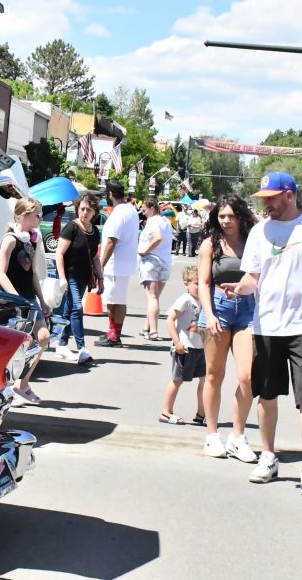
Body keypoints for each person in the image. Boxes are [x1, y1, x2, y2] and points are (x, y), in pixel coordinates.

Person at [222, 172, 302, 498]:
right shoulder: (260, 231)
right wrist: (238, 288)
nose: (266, 204)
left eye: (271, 197)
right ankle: (269, 457)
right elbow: (253, 277)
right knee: (267, 394)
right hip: (267, 326)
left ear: (289, 195)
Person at [197, 194, 259, 463]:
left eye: (232, 215)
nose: (226, 220)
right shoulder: (210, 244)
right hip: (218, 308)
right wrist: (209, 314)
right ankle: (212, 436)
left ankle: (237, 436)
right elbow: (203, 282)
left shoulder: (251, 240)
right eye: (222, 216)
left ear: (241, 216)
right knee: (214, 375)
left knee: (247, 377)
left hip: (246, 310)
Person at [0, 197, 52, 405]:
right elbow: (1, 273)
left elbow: (33, 273)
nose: (40, 218)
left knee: (44, 337)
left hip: (29, 297)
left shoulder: (33, 240)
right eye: (37, 214)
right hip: (12, 300)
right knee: (16, 344)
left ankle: (23, 383)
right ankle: (7, 385)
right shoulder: (10, 240)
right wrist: (15, 298)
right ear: (25, 215)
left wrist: (42, 299)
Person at [54, 192, 103, 365]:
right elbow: (59, 253)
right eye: (82, 209)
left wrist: (101, 278)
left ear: (94, 212)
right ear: (77, 209)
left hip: (84, 277)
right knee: (77, 307)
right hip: (70, 275)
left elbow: (95, 256)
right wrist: (62, 278)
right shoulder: (71, 228)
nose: (84, 212)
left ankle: (61, 345)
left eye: (89, 210)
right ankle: (82, 348)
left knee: (68, 311)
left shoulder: (94, 231)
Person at [96, 180, 140, 347]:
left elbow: (111, 241)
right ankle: (112, 332)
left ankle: (115, 335)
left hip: (116, 263)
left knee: (117, 300)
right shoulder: (130, 210)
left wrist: (101, 264)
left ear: (110, 194)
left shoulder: (119, 213)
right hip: (123, 262)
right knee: (113, 299)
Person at [161, 265, 206, 425]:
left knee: (205, 380)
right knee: (177, 380)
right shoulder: (185, 300)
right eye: (196, 283)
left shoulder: (204, 300)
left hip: (201, 347)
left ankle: (201, 413)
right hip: (185, 347)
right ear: (186, 284)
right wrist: (177, 342)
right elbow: (170, 319)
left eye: (202, 282)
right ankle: (166, 412)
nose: (200, 286)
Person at [138, 196, 173, 340]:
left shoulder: (153, 221)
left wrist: (145, 250)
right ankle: (146, 328)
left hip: (152, 260)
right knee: (155, 298)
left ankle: (153, 331)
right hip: (165, 262)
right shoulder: (166, 221)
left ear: (151, 209)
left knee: (152, 297)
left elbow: (157, 237)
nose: (143, 212)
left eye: (145, 209)